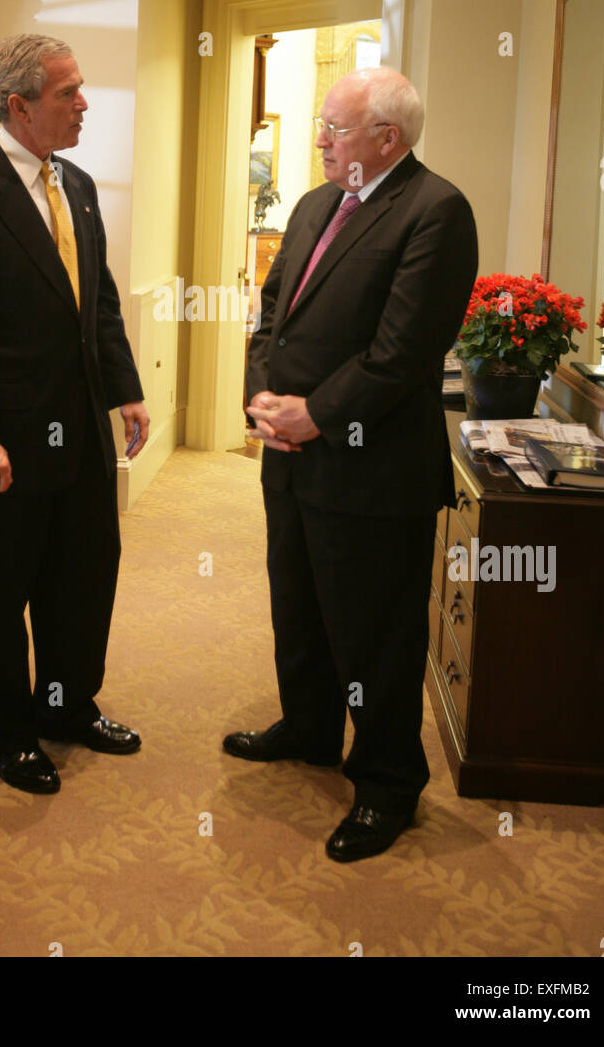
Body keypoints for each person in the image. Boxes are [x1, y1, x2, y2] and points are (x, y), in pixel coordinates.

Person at [224, 67, 478, 861]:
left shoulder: (437, 211)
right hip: (292, 458)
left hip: (372, 471)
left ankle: (386, 782)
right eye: (323, 127)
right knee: (298, 606)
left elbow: (401, 354)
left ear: (386, 140)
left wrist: (317, 414)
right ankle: (307, 730)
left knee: (374, 632)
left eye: (334, 128)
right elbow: (273, 315)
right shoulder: (311, 205)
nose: (319, 140)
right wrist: (262, 394)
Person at [0, 34, 149, 795]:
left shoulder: (74, 184)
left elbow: (97, 303)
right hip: (3, 447)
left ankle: (68, 706)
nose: (85, 104)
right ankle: (9, 734)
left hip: (78, 433)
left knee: (82, 579)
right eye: (68, 93)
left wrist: (126, 389)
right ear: (18, 106)